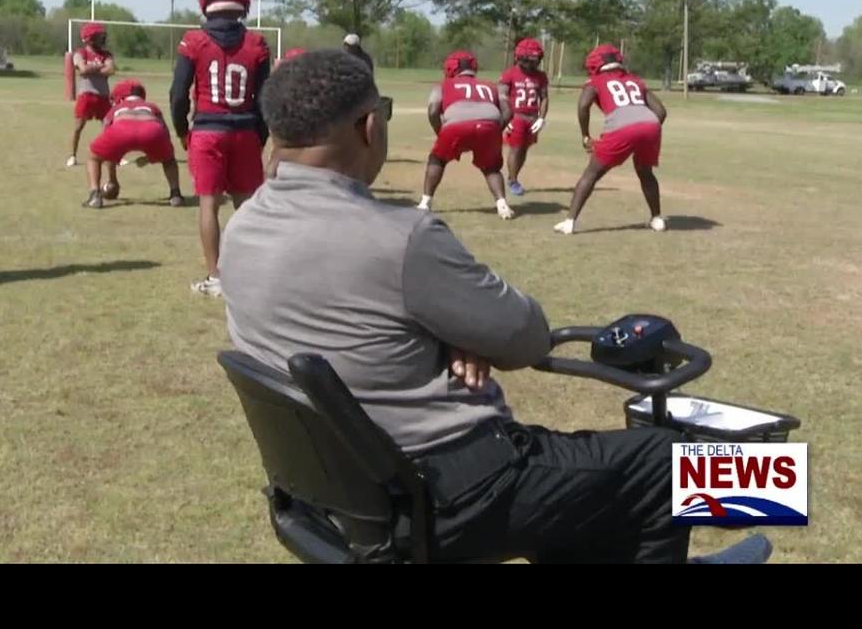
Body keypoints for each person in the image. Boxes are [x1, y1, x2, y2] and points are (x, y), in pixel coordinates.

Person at [218, 49, 693, 563]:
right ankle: (782, 493)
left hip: (340, 495)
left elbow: (356, 321)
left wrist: (442, 335)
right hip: (448, 492)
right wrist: (460, 334)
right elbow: (528, 337)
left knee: (590, 494)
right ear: (369, 124)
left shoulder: (242, 229)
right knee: (672, 461)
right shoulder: (401, 238)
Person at [169, 0, 270, 297]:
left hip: (208, 130)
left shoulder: (193, 41)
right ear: (243, 0)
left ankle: (216, 276)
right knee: (248, 206)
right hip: (245, 130)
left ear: (206, 0)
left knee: (209, 204)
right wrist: (260, 135)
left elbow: (177, 93)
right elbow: (265, 98)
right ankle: (254, 274)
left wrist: (183, 129)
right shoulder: (257, 43)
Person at [554, 44, 669, 236]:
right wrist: (645, 131)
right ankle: (657, 218)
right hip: (651, 125)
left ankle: (569, 221)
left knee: (591, 174)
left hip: (621, 128)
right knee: (645, 172)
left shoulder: (596, 81)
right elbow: (661, 112)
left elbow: (583, 106)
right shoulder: (635, 80)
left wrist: (585, 135)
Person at [418, 51, 514, 220]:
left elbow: (433, 111)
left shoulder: (443, 85)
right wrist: (494, 131)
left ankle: (425, 203)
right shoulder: (491, 86)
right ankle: (502, 205)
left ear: (451, 67)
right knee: (491, 167)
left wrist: (440, 132)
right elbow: (508, 111)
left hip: (455, 125)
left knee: (437, 160)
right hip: (489, 124)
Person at [82, 79, 184, 209]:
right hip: (152, 130)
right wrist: (152, 156)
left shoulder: (116, 108)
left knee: (93, 157)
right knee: (169, 160)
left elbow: (107, 138)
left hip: (120, 129)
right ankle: (176, 194)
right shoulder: (151, 106)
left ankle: (95, 196)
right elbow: (165, 133)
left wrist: (112, 179)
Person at [499, 37, 549, 196]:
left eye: (537, 60)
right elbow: (501, 96)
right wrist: (504, 118)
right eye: (531, 60)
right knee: (516, 148)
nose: (535, 64)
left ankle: (513, 177)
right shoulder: (509, 74)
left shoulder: (541, 76)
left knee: (524, 149)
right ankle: (513, 181)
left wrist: (541, 118)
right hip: (516, 116)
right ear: (521, 59)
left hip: (532, 117)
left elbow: (544, 97)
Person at [66, 23, 116, 168]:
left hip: (103, 95)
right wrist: (100, 66)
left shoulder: (106, 54)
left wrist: (91, 68)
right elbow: (82, 69)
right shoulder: (80, 53)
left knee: (109, 127)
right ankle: (72, 155)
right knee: (78, 127)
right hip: (86, 94)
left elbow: (111, 70)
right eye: (99, 36)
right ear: (90, 38)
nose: (103, 39)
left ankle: (112, 154)